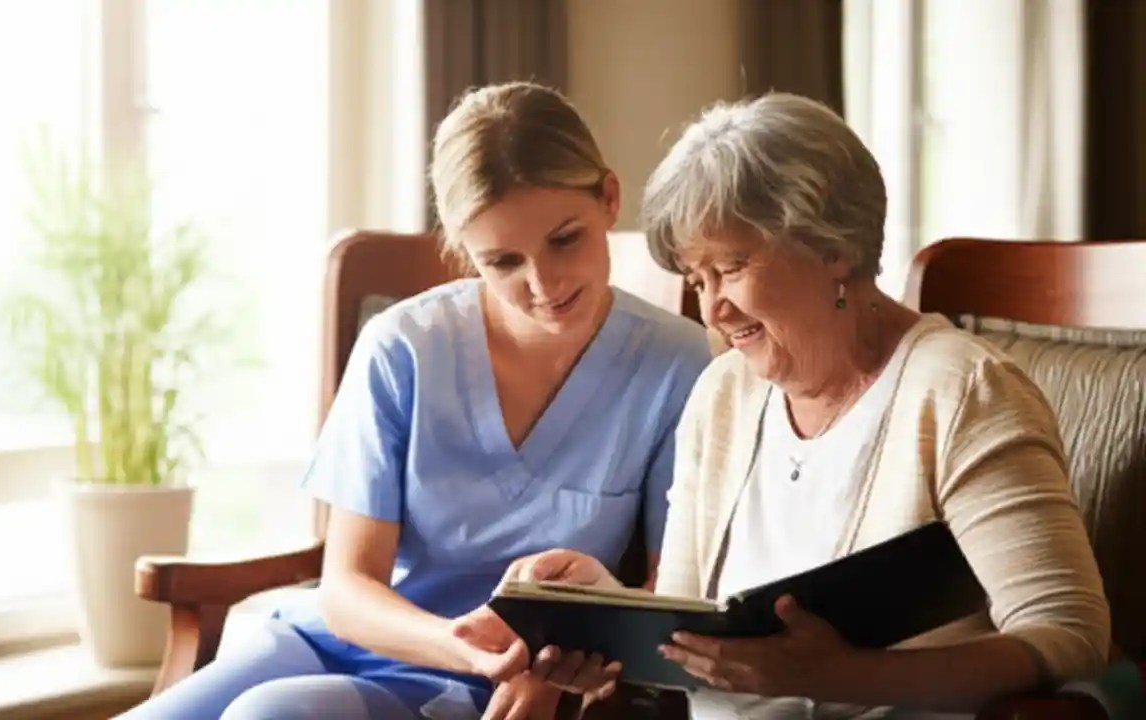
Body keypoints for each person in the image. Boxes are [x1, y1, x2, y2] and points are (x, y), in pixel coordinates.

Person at [460, 92, 1111, 719]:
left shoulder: (961, 392)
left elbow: (1067, 635)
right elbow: (692, 631)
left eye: (733, 266)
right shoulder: (722, 395)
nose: (711, 307)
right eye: (697, 278)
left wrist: (845, 678)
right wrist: (606, 613)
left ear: (833, 245)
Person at [117, 82, 712, 719]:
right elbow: (347, 588)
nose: (544, 284)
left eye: (564, 240)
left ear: (609, 199)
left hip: (482, 689)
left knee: (271, 716)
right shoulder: (402, 349)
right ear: (465, 253)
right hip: (341, 641)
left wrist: (555, 668)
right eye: (503, 260)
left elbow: (666, 594)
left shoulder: (676, 363)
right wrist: (455, 643)